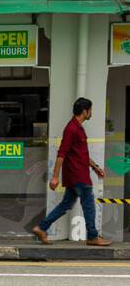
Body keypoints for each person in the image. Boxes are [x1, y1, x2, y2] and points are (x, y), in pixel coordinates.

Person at [32, 97, 110, 246]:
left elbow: (81, 154)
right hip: (78, 175)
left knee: (65, 205)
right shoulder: (71, 129)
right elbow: (61, 153)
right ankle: (93, 236)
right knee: (89, 205)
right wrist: (54, 177)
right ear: (84, 111)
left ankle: (41, 228)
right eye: (90, 110)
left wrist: (96, 167)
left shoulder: (77, 128)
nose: (91, 112)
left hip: (77, 175)